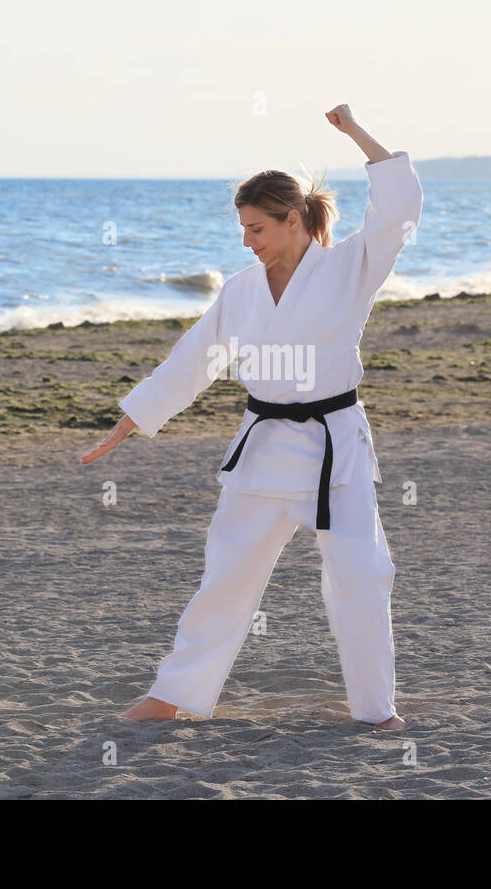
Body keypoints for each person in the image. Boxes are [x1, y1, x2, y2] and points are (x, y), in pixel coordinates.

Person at [80, 104, 423, 729]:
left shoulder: (350, 267)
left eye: (257, 227)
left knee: (363, 579)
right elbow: (193, 360)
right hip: (261, 454)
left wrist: (353, 133)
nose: (247, 240)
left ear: (294, 220)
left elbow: (398, 209)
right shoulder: (241, 290)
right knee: (226, 581)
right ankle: (175, 695)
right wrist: (130, 421)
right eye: (242, 228)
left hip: (333, 453)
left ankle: (376, 710)